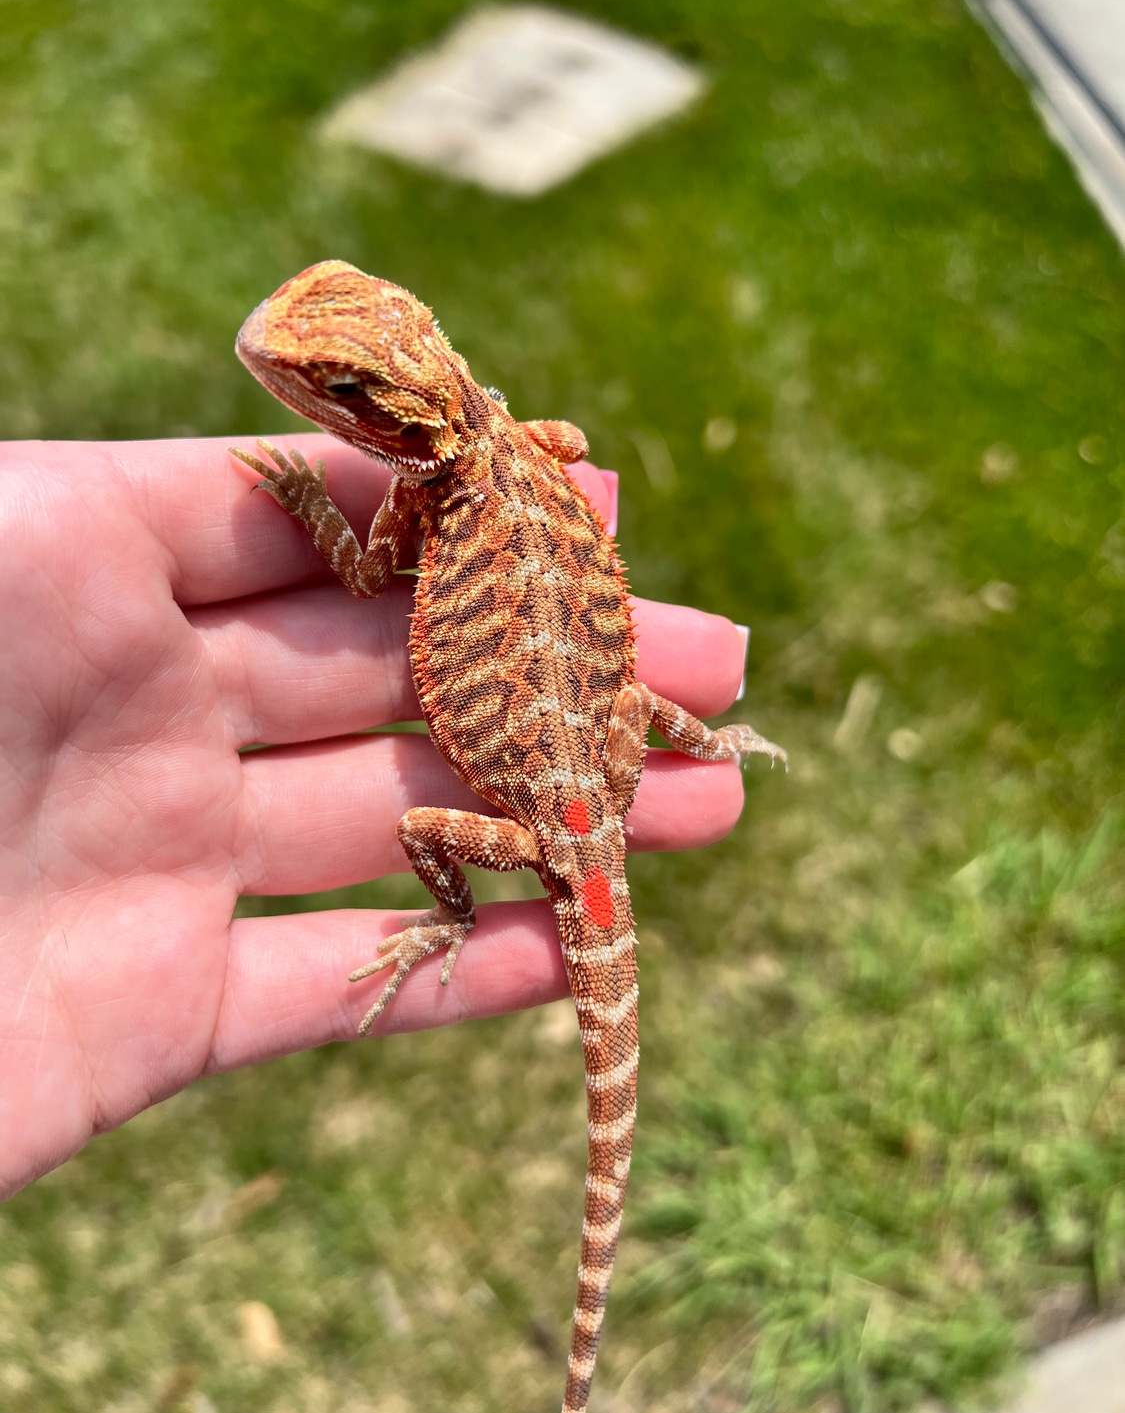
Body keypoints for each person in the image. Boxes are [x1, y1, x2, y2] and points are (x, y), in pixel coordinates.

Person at [0, 435, 754, 1200]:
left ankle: (453, 917)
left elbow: (371, 570)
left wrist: (309, 501)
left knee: (423, 824)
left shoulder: (454, 466)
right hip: (583, 798)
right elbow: (573, 443)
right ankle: (705, 747)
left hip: (558, 817)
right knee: (627, 705)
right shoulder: (491, 455)